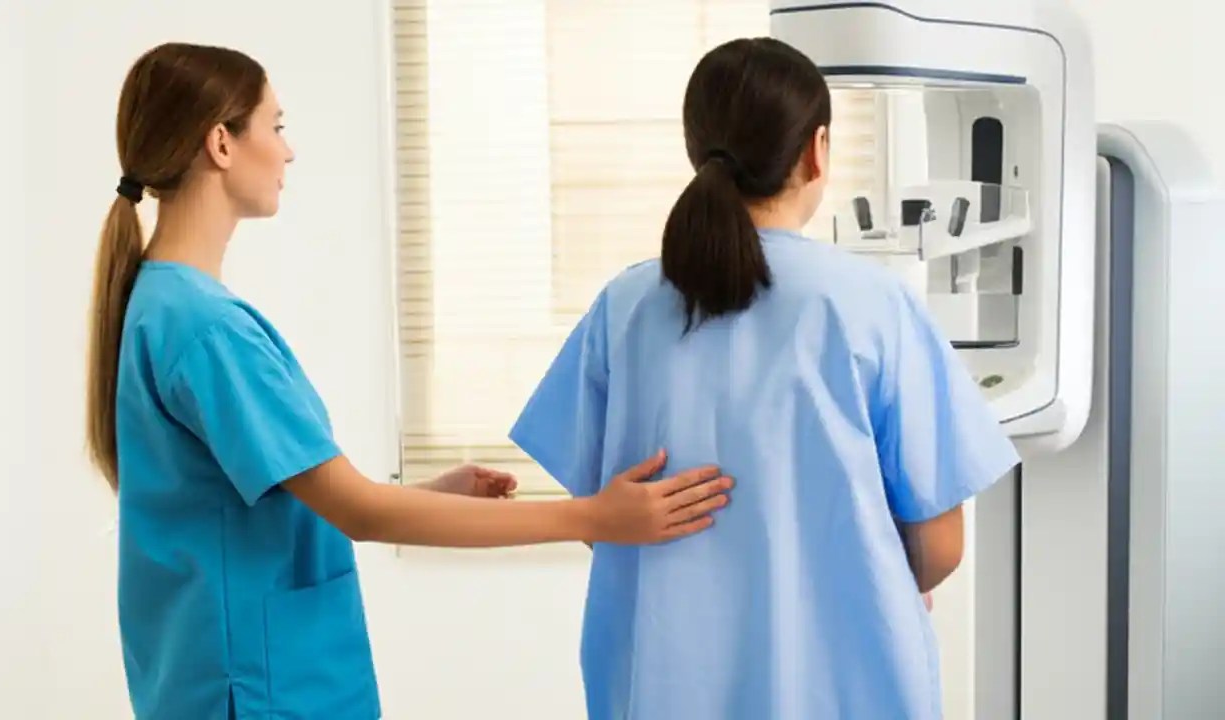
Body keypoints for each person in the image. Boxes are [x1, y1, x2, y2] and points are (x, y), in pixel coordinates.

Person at [86, 42, 733, 720]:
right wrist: (594, 516)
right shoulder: (206, 330)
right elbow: (359, 512)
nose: (288, 150)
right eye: (275, 127)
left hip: (227, 678)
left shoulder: (162, 305)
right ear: (222, 143)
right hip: (257, 691)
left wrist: (430, 495)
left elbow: (269, 503)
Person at [509, 37, 1020, 719]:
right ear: (817, 151)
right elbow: (939, 543)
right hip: (848, 692)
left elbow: (599, 519)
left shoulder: (625, 307)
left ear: (698, 151)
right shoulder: (872, 305)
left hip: (662, 686)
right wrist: (889, 583)